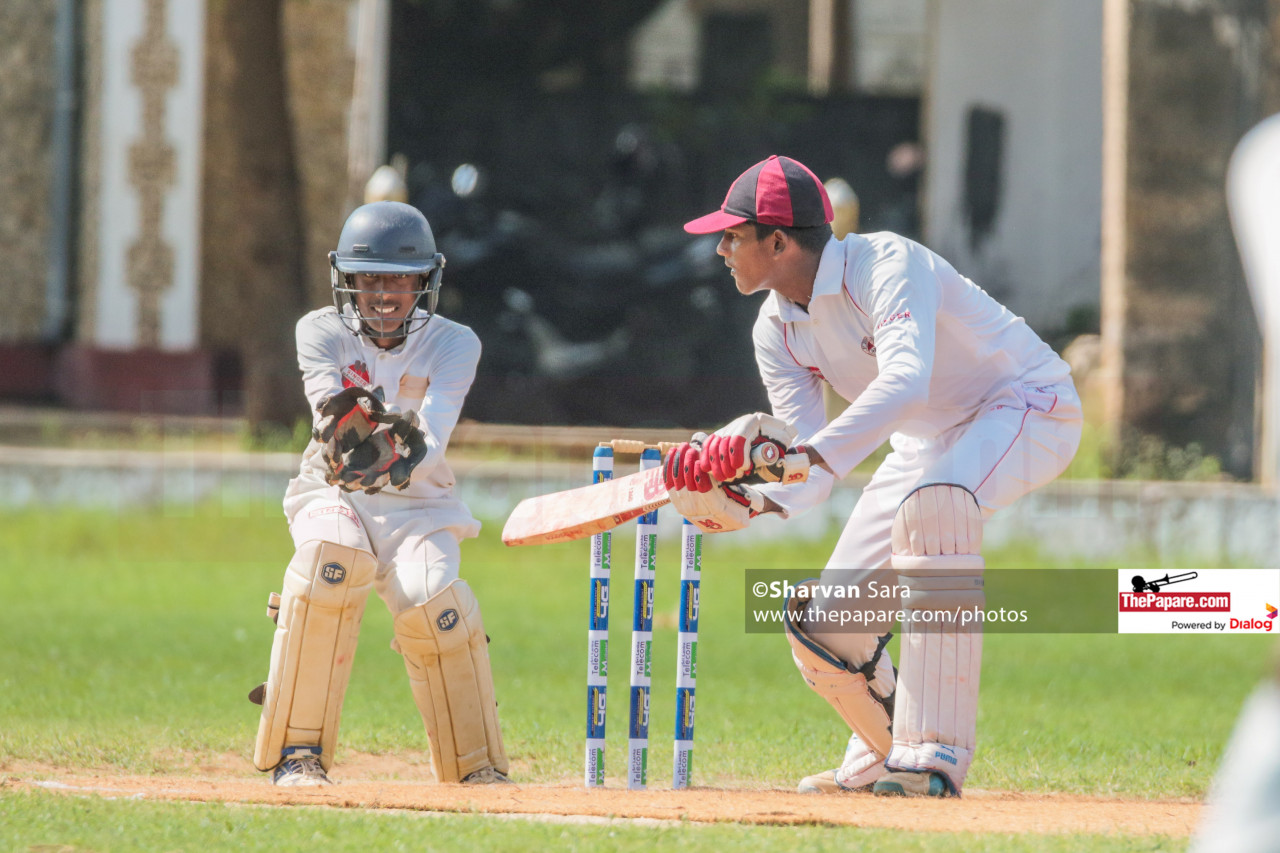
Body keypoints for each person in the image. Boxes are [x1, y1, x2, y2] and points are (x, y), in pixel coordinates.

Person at [663, 155, 1082, 797]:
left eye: (732, 234)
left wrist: (802, 458)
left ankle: (933, 756)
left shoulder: (886, 263)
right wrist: (745, 499)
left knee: (934, 511)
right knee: (828, 621)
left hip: (1026, 403)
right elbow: (808, 467)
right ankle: (889, 746)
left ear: (777, 239)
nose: (720, 249)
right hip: (924, 442)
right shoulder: (775, 328)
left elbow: (905, 382)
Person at [248, 200, 509, 787]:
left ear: (425, 281)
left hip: (420, 505)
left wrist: (381, 442)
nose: (385, 294)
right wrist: (363, 440)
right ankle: (297, 755)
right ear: (349, 280)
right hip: (332, 490)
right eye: (371, 279)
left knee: (434, 601)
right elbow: (329, 423)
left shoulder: (455, 343)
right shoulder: (318, 330)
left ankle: (476, 769)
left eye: (400, 278)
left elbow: (428, 443)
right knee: (328, 564)